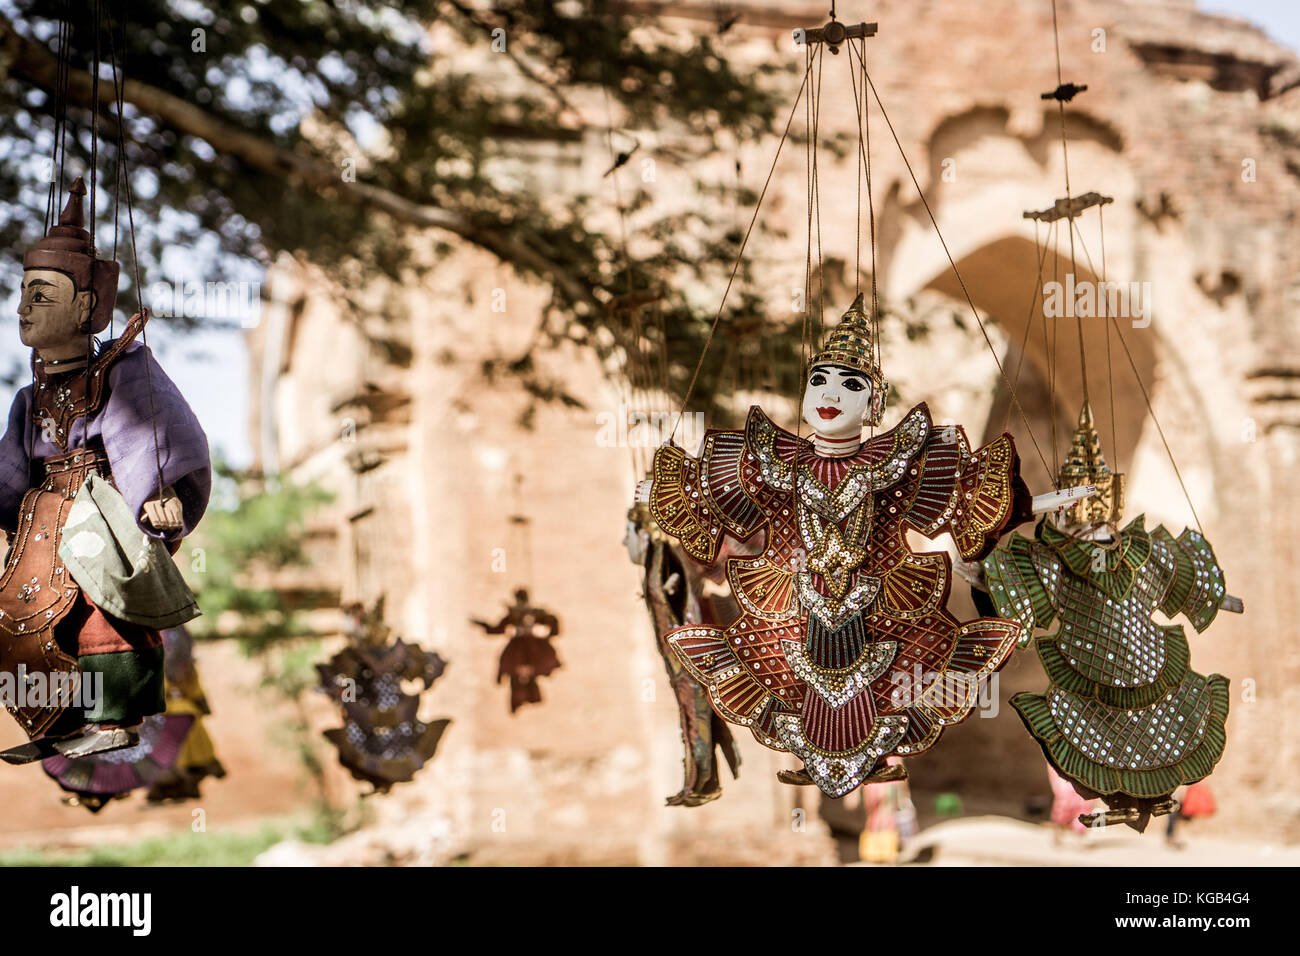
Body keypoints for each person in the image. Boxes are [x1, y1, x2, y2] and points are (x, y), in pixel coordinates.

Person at [635, 294, 1093, 797]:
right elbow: (707, 494)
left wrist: (1045, 501)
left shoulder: (901, 464)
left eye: (850, 384)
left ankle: (873, 753)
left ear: (874, 404)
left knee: (893, 677)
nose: (830, 394)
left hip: (884, 603)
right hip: (792, 603)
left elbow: (977, 494)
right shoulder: (772, 461)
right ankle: (812, 754)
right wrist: (658, 491)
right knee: (788, 677)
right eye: (819, 381)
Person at [0, 179, 210, 764]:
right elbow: (11, 467)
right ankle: (58, 716)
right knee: (18, 614)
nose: (22, 309)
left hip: (100, 510)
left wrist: (161, 491)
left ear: (87, 307)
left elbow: (156, 433)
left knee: (107, 606)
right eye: (22, 295)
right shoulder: (28, 396)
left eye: (40, 296)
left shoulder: (124, 371)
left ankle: (115, 717)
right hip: (43, 519)